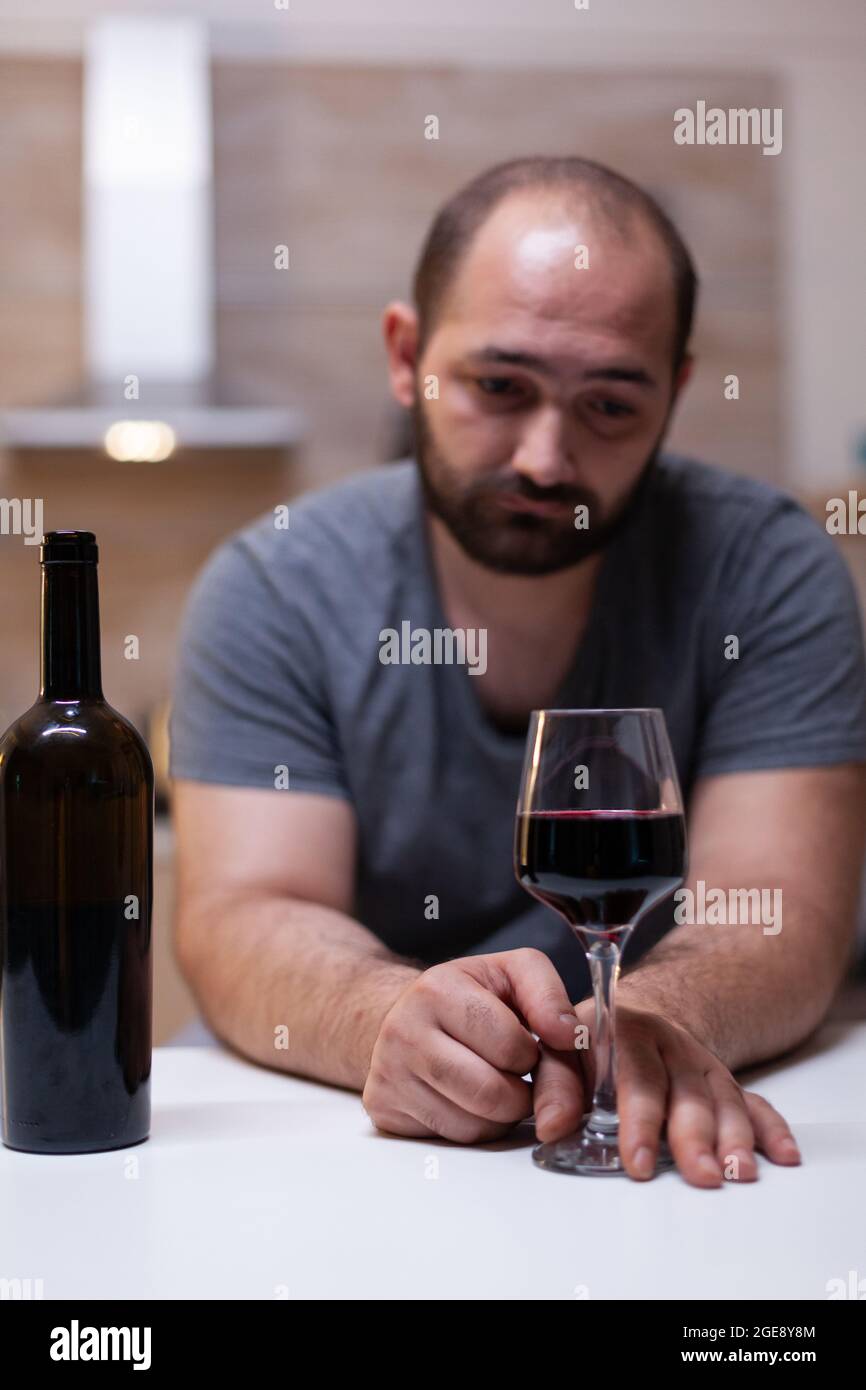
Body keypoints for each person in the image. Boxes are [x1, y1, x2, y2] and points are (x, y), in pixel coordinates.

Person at [169, 155, 866, 1187]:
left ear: (673, 391)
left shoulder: (767, 572)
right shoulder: (275, 586)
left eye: (608, 406)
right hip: (369, 1166)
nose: (545, 456)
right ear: (406, 357)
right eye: (500, 386)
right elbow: (245, 908)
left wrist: (642, 1021)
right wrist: (383, 1017)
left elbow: (774, 903)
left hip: (673, 1151)